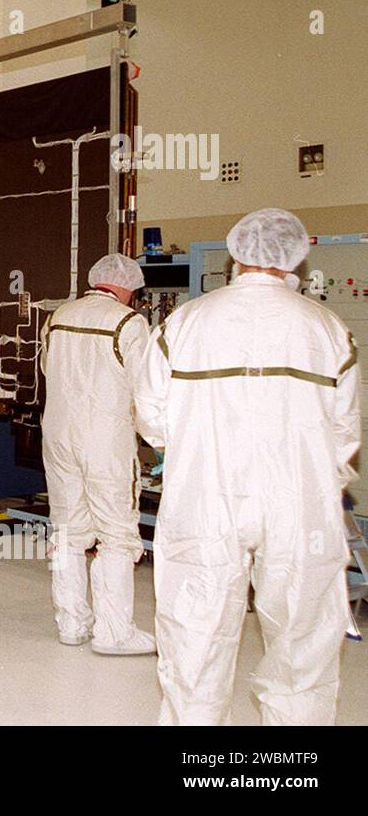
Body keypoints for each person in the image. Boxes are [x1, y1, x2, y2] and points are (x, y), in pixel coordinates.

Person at [135, 208, 359, 725]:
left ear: (236, 254)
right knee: (303, 642)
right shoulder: (327, 328)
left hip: (205, 502)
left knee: (195, 634)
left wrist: (189, 447)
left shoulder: (185, 322)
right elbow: (344, 433)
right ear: (295, 258)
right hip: (300, 507)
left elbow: (151, 417)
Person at [40, 253, 155, 655]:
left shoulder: (58, 317)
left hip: (58, 437)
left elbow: (46, 369)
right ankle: (114, 633)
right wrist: (159, 440)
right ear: (127, 287)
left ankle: (72, 624)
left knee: (68, 531)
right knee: (116, 535)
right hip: (105, 442)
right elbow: (146, 388)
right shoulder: (128, 323)